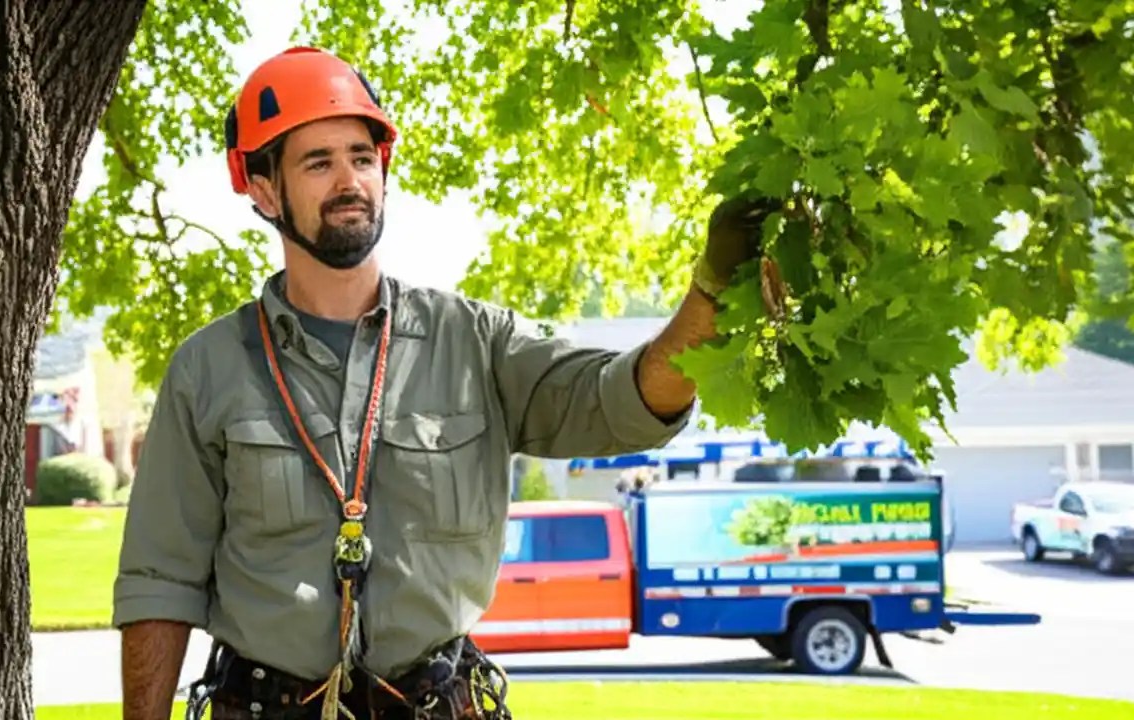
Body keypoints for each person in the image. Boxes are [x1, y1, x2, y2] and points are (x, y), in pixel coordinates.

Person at [112, 46, 775, 720]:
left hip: (437, 702)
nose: (350, 181)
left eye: (362, 157)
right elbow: (159, 586)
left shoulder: (476, 343)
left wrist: (711, 292)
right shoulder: (208, 369)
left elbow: (626, 404)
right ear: (262, 189)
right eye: (319, 162)